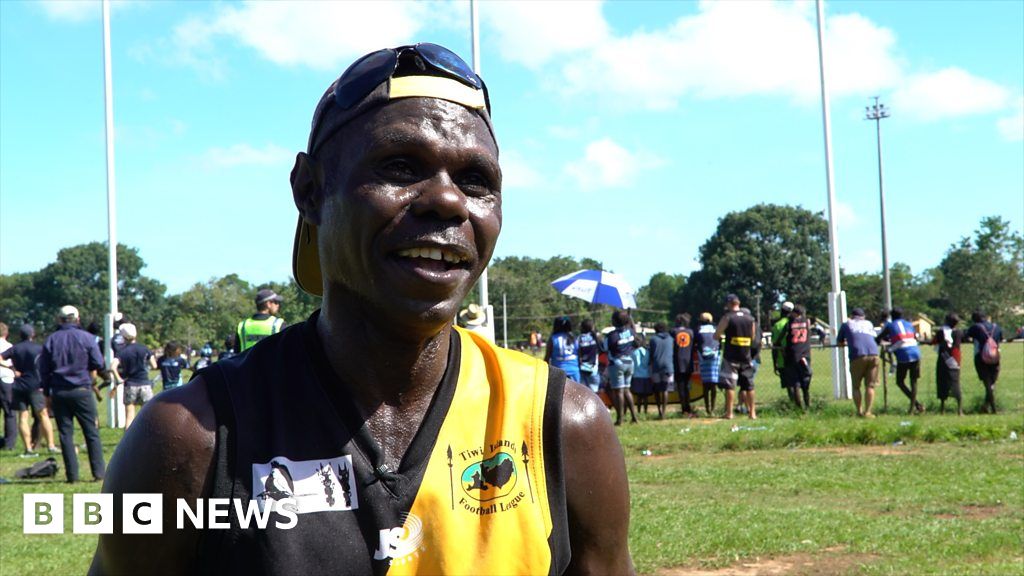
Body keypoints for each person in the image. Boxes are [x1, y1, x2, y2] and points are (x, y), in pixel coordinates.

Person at [92, 43, 633, 575]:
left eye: (476, 181)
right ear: (309, 190)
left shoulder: (560, 426)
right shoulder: (188, 438)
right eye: (400, 166)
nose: (448, 201)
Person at [39, 305, 106, 483]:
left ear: (60, 319)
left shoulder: (51, 340)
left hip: (59, 391)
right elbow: (98, 363)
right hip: (83, 390)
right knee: (91, 433)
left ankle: (72, 475)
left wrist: (47, 393)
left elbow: (44, 370)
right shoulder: (87, 338)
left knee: (65, 434)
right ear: (77, 319)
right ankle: (99, 473)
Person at [1, 324, 57, 454]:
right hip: (35, 385)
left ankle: (28, 448)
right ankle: (51, 445)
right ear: (32, 335)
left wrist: (11, 369)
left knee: (23, 416)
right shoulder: (39, 348)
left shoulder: (15, 348)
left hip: (19, 385)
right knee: (43, 415)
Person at [715, 294, 758, 420]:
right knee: (749, 385)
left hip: (731, 356)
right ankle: (752, 413)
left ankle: (729, 413)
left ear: (728, 304)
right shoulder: (750, 318)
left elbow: (717, 335)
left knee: (730, 385)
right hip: (746, 356)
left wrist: (723, 337)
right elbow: (753, 337)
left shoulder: (727, 317)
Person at [877, 307, 924, 414]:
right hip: (916, 353)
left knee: (900, 382)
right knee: (913, 381)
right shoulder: (909, 324)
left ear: (891, 316)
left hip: (904, 354)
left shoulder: (889, 325)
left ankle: (916, 404)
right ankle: (913, 408)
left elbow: (878, 338)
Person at [110, 323, 157, 429]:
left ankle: (128, 441)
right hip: (145, 384)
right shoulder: (144, 349)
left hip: (130, 384)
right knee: (148, 415)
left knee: (129, 416)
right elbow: (154, 365)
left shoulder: (122, 351)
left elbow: (113, 367)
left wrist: (119, 379)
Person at [836, 308, 881, 418]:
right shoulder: (868, 323)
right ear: (863, 317)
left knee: (856, 387)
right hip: (874, 354)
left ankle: (859, 411)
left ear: (852, 316)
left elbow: (839, 342)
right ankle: (868, 412)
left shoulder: (846, 324)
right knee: (870, 386)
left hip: (857, 355)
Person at [965, 310, 1003, 414]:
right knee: (991, 383)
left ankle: (993, 408)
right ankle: (986, 406)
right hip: (995, 357)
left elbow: (966, 337)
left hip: (981, 357)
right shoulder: (996, 327)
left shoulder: (976, 327)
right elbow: (1000, 338)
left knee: (987, 383)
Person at [607, 310, 640, 426]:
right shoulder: (631, 332)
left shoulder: (612, 335)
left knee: (618, 391)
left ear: (615, 321)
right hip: (629, 362)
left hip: (617, 363)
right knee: (627, 390)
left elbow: (606, 348)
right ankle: (634, 417)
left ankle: (620, 419)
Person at [780, 304, 812, 411]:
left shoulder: (790, 322)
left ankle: (799, 408)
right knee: (805, 382)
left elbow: (782, 337)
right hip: (805, 354)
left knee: (795, 383)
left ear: (795, 313)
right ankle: (808, 405)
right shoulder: (807, 322)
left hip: (793, 354)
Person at [932, 313, 964, 416]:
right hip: (955, 359)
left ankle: (942, 409)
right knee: (955, 382)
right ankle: (959, 409)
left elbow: (934, 341)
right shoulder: (959, 333)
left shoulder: (941, 332)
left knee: (942, 382)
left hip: (944, 359)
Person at [648, 322, 675, 420]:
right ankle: (664, 411)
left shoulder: (653, 339)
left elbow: (651, 354)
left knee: (656, 389)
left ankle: (659, 410)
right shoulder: (671, 339)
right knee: (665, 389)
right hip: (668, 366)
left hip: (656, 366)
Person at [695, 312, 720, 416]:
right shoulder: (715, 329)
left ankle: (707, 408)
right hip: (714, 358)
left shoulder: (698, 330)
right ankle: (713, 408)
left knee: (705, 385)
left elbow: (697, 344)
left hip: (703, 358)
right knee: (714, 384)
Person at [671, 313, 695, 415]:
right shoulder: (690, 332)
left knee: (680, 386)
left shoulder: (673, 332)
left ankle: (684, 408)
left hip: (677, 362)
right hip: (688, 361)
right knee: (686, 385)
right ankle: (688, 407)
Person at [544, 316, 580, 383]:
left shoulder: (553, 339)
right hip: (574, 371)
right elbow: (578, 354)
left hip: (559, 372)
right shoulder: (574, 338)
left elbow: (547, 357)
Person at [770, 301, 794, 394]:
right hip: (796, 357)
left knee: (789, 385)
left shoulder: (777, 325)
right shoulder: (795, 323)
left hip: (782, 359)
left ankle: (793, 404)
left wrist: (774, 363)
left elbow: (775, 345)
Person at [0, 322, 16, 450]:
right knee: (9, 412)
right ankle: (9, 443)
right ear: (6, 333)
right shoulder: (9, 346)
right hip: (6, 379)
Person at [576, 318, 602, 393]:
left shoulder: (579, 338)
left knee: (583, 393)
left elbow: (577, 352)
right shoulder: (596, 337)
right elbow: (601, 349)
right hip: (594, 369)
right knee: (595, 394)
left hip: (582, 369)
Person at [630, 333, 651, 415]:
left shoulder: (633, 353)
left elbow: (634, 365)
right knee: (646, 396)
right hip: (646, 375)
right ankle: (645, 411)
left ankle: (638, 411)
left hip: (637, 376)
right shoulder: (647, 352)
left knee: (638, 396)